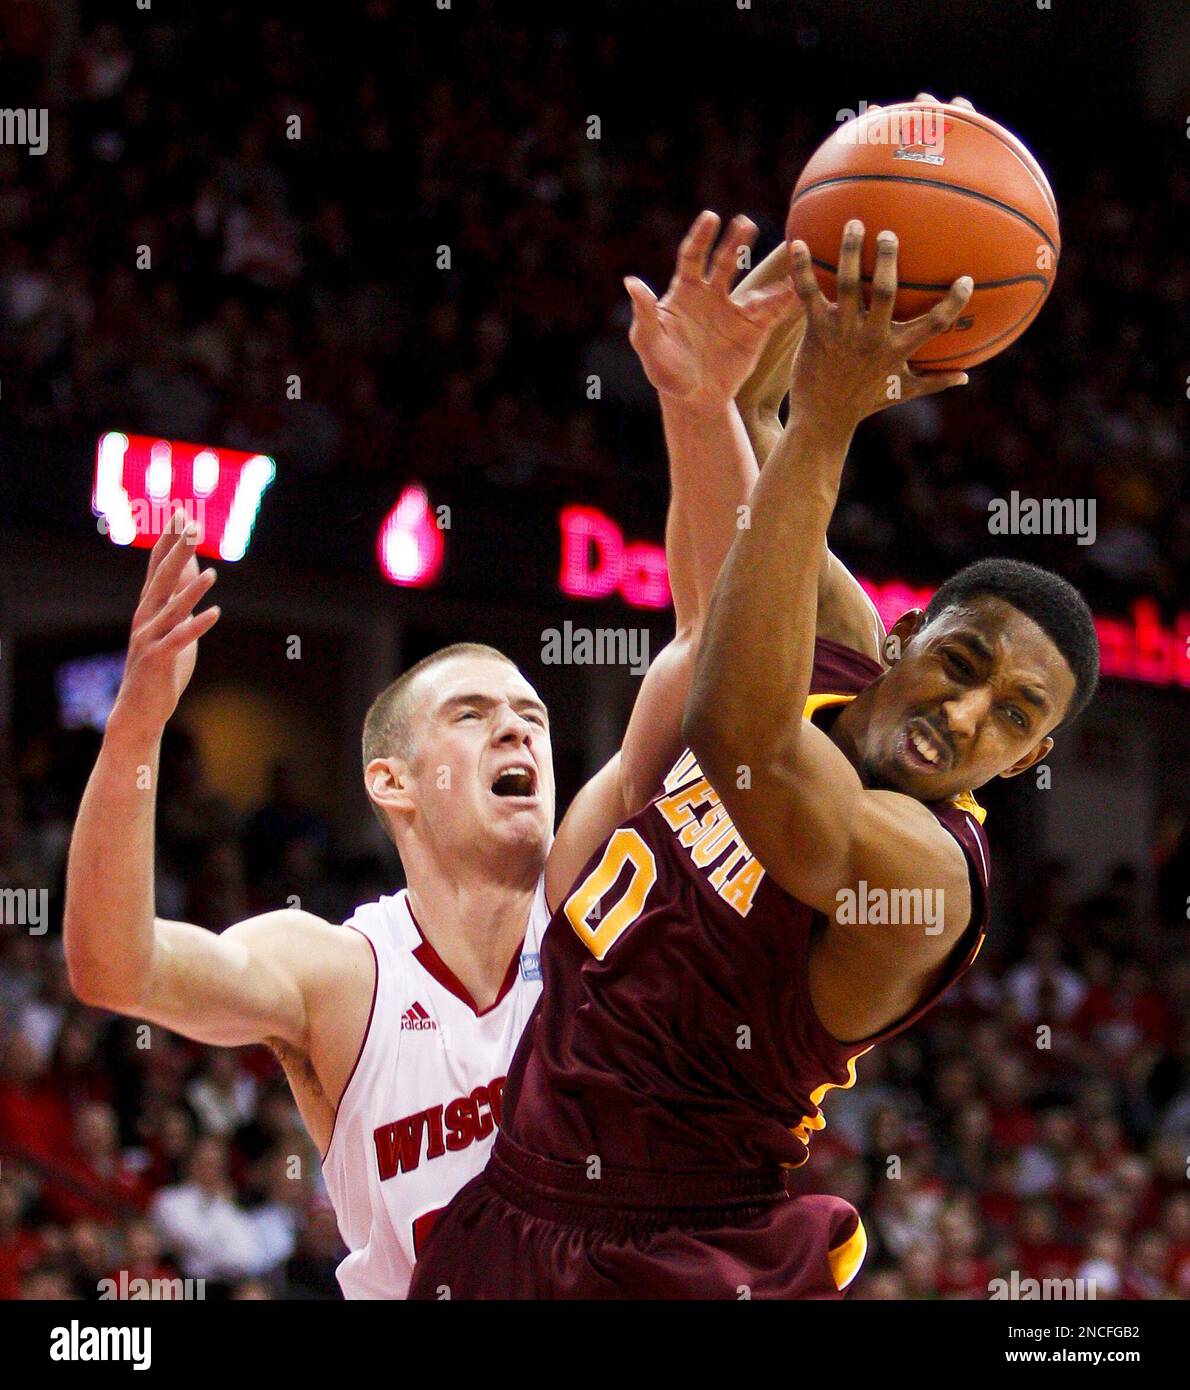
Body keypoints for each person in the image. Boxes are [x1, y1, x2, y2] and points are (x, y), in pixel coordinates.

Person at [62, 211, 799, 1298]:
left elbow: (710, 651)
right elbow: (111, 967)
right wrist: (133, 729)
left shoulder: (590, 891)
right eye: (473, 714)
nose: (517, 729)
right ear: (389, 782)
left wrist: (699, 401)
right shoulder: (335, 971)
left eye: (532, 716)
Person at [408, 221, 1100, 1300]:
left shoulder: (925, 875)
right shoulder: (825, 642)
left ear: (1026, 759)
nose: (966, 714)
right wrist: (729, 375)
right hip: (510, 1200)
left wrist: (822, 426)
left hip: (672, 1251)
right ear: (902, 632)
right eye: (960, 662)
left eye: (1011, 717)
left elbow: (746, 746)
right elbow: (743, 512)